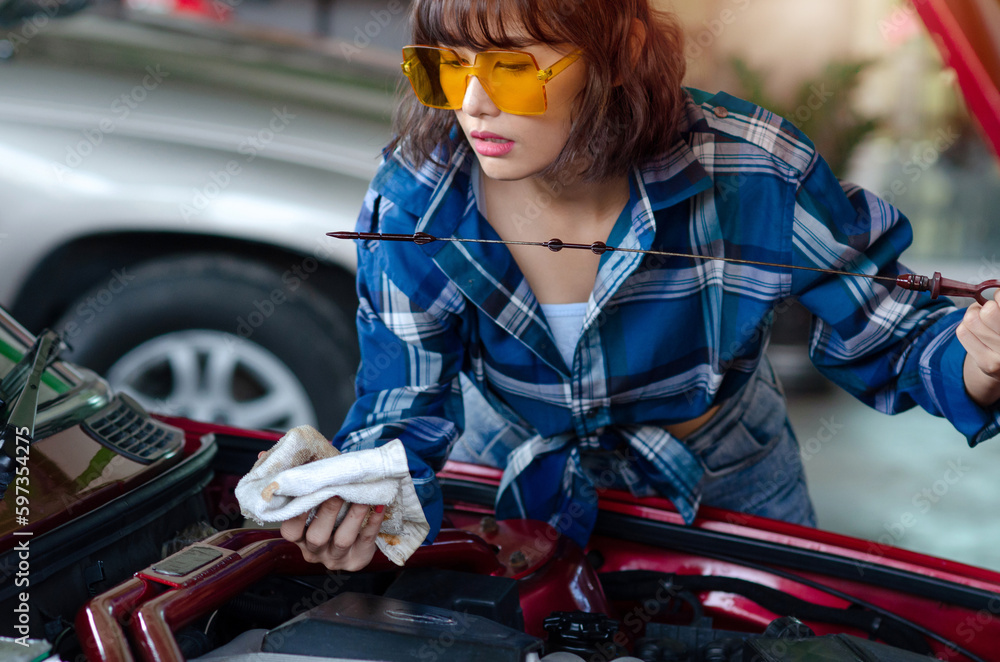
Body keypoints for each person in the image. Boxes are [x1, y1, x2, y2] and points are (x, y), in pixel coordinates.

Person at [280, 0, 1000, 571]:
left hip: (727, 487)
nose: (470, 104)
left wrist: (981, 356)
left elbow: (893, 329)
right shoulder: (415, 198)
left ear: (618, 53)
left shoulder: (752, 171)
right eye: (443, 67)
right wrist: (361, 503)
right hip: (502, 479)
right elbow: (405, 400)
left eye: (509, 67)